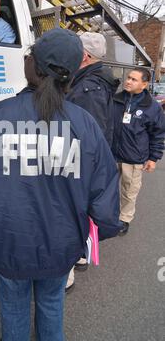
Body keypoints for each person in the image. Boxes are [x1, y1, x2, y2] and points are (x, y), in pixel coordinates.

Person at [0, 29, 121, 341]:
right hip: (61, 244)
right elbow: (105, 185)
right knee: (51, 303)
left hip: (5, 242)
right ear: (71, 73)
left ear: (33, 66)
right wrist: (103, 228)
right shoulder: (83, 124)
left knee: (13, 306)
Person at [65, 32, 120, 288]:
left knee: (74, 211)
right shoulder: (93, 81)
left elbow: (87, 137)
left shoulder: (88, 88)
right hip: (85, 165)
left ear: (84, 56)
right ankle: (80, 254)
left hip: (80, 165)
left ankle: (74, 260)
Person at [112, 68, 165, 235]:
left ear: (144, 84)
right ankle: (107, 216)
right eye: (128, 78)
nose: (128, 81)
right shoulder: (115, 99)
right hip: (111, 154)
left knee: (129, 192)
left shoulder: (152, 107)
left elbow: (158, 133)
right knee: (106, 189)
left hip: (133, 158)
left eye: (134, 79)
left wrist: (153, 158)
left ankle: (124, 219)